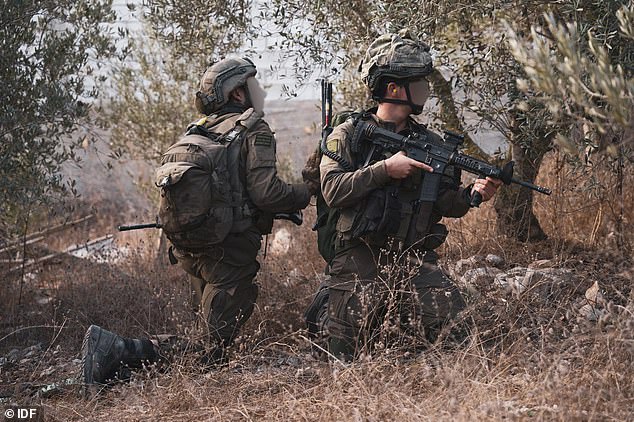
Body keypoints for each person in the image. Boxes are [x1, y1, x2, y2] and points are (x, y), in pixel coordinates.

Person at [82, 57, 319, 391]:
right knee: (207, 350)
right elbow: (268, 193)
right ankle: (116, 348)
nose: (260, 91)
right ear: (237, 93)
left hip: (191, 248)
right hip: (229, 252)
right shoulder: (253, 129)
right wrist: (307, 190)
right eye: (253, 84)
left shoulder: (197, 131)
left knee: (205, 338)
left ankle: (120, 370)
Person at [304, 30, 501, 361]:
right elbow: (334, 190)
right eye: (418, 82)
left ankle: (398, 317)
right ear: (394, 89)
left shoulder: (429, 142)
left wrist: (472, 195)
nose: (425, 90)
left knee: (459, 325)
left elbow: (443, 203)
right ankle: (332, 299)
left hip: (410, 255)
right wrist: (385, 169)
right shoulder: (349, 135)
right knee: (340, 349)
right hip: (360, 253)